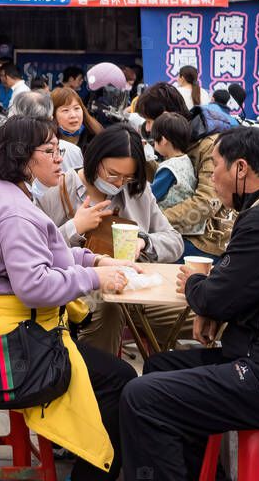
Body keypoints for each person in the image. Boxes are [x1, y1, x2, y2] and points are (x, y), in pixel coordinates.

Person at [120, 127, 259, 481]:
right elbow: (241, 294)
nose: (213, 181)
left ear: (240, 169)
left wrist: (197, 286)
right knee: (160, 368)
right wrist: (213, 305)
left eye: (215, 170)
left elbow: (216, 295)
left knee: (142, 397)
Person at [0, 115, 138, 480]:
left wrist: (96, 259)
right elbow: (34, 285)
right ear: (22, 157)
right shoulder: (16, 210)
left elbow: (44, 255)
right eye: (50, 150)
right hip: (11, 341)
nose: (59, 157)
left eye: (59, 149)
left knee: (106, 367)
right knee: (121, 379)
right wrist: (94, 276)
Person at [39, 123, 183, 353]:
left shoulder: (137, 191)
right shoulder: (58, 191)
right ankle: (100, 381)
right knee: (109, 310)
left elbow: (175, 241)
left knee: (201, 311)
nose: (118, 183)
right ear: (95, 160)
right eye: (113, 174)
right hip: (85, 296)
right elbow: (39, 253)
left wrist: (144, 241)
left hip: (135, 293)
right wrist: (74, 228)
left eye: (127, 177)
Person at [135, 83, 221, 258]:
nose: (149, 129)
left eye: (150, 121)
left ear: (166, 115)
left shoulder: (209, 145)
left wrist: (154, 219)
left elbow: (206, 203)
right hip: (179, 230)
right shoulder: (177, 140)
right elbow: (171, 179)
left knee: (139, 254)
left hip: (205, 238)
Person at [11, 89, 84, 185]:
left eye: (77, 108)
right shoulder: (72, 150)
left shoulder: (5, 149)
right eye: (49, 151)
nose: (58, 159)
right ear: (51, 117)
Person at [149, 112, 196, 210]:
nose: (154, 144)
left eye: (154, 141)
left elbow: (152, 195)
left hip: (167, 221)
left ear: (163, 140)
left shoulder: (169, 169)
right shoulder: (186, 160)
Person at [52, 86, 102, 153]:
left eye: (76, 108)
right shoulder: (47, 143)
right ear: (53, 115)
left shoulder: (96, 140)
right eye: (65, 110)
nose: (73, 115)